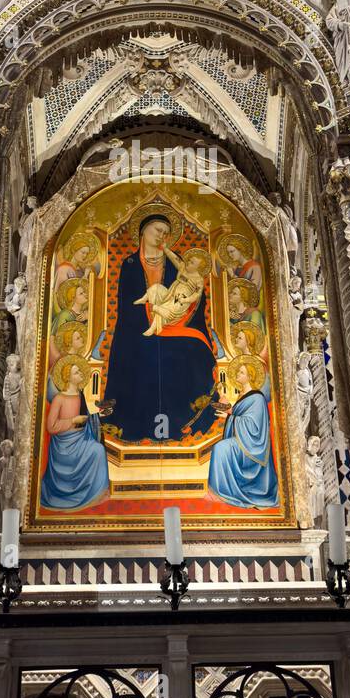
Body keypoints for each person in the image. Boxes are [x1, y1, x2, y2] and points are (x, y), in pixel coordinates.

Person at [103, 212, 217, 441]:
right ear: (143, 231)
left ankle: (181, 423)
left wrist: (177, 312)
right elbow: (126, 306)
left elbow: (196, 297)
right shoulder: (130, 264)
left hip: (176, 324)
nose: (161, 236)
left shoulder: (177, 262)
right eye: (157, 230)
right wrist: (149, 313)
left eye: (166, 233)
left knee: (192, 350)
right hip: (137, 329)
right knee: (139, 353)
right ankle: (137, 425)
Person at [40, 356, 110, 510]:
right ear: (68, 377)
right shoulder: (59, 398)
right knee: (97, 450)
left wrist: (100, 415)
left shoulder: (80, 395)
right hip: (64, 445)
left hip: (81, 439)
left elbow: (87, 418)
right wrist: (73, 420)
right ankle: (75, 493)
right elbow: (51, 426)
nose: (81, 374)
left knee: (98, 450)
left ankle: (95, 492)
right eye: (77, 372)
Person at [208, 355, 278, 509]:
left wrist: (230, 414)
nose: (237, 375)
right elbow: (238, 415)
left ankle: (223, 491)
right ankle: (221, 491)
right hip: (243, 441)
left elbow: (253, 427)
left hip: (252, 447)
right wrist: (228, 412)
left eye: (241, 373)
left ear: (249, 377)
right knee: (221, 447)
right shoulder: (243, 395)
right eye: (238, 372)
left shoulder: (257, 398)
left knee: (220, 448)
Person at [135, 247, 209, 336]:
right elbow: (173, 258)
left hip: (180, 301)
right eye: (189, 260)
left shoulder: (199, 280)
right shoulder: (183, 267)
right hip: (170, 294)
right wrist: (165, 248)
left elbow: (197, 295)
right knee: (156, 287)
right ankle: (143, 299)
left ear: (198, 268)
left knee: (163, 308)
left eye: (192, 262)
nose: (188, 262)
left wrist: (186, 300)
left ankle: (152, 329)